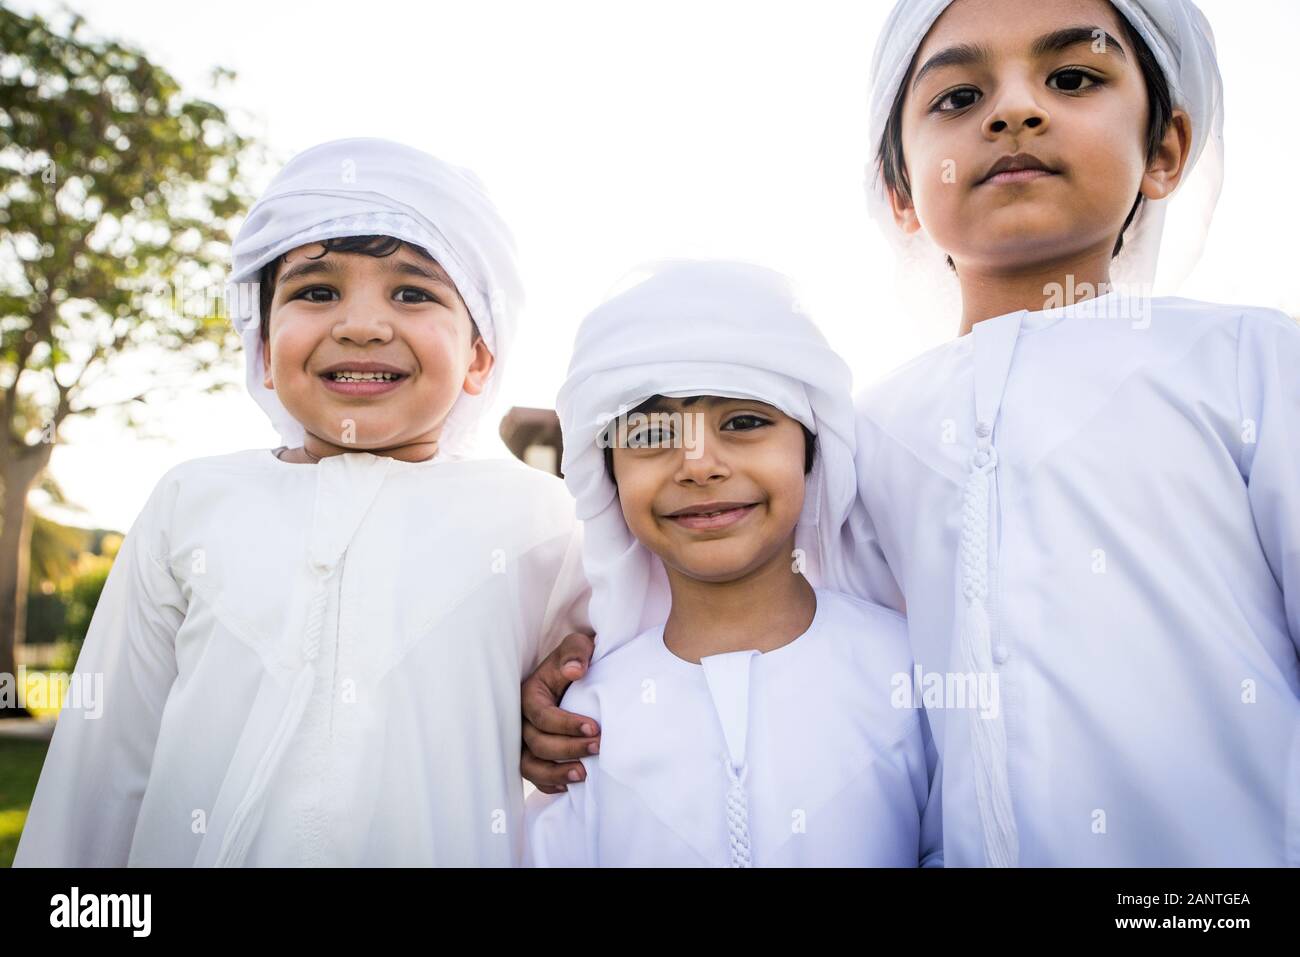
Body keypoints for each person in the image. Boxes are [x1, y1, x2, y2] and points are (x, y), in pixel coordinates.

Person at [522, 0, 1300, 867]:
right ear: (899, 191)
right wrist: (577, 671)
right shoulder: (872, 432)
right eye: (959, 99)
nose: (1014, 111)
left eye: (1072, 78)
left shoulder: (1251, 363)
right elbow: (781, 628)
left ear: (1165, 151)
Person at [15, 137, 590, 867]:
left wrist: (560, 702)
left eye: (412, 292)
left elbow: (615, 694)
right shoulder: (192, 503)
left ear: (481, 353)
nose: (361, 324)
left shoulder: (544, 522)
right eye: (316, 291)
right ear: (260, 344)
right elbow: (103, 765)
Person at [524, 260, 940, 866]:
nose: (698, 466)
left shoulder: (912, 667)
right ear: (608, 475)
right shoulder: (586, 714)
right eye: (649, 434)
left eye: (745, 422)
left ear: (811, 453)